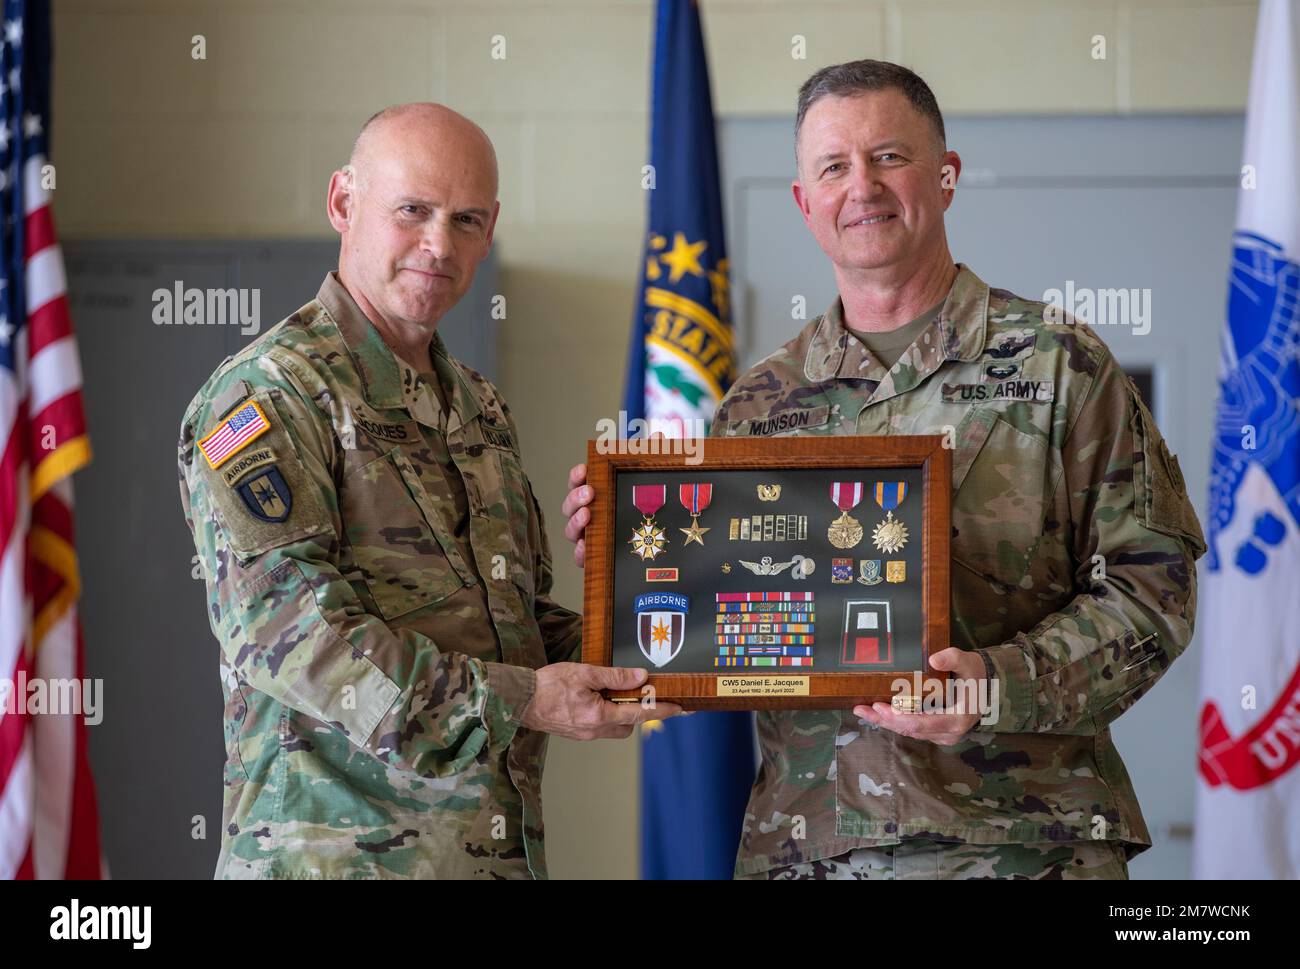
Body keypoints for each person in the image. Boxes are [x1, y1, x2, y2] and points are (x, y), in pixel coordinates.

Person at [561, 61, 1206, 880]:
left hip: (1018, 850)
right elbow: (727, 627)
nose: (861, 186)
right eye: (833, 166)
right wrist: (635, 560)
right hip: (808, 853)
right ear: (805, 202)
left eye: (889, 157)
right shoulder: (760, 402)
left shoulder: (1059, 366)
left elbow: (1155, 591)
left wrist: (997, 685)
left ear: (945, 175)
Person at [177, 103, 675, 880]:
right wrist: (529, 701)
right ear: (344, 202)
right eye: (413, 211)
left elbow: (512, 629)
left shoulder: (477, 406)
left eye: (467, 220)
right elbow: (301, 640)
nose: (440, 245)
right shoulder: (268, 397)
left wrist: (667, 633)